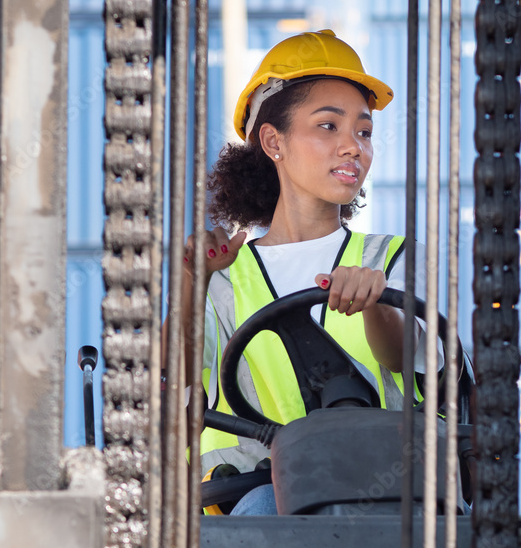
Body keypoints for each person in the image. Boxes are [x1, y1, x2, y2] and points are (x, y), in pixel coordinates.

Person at [180, 30, 440, 515]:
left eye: (363, 132)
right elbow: (170, 393)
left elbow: (415, 357)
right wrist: (192, 285)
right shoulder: (223, 281)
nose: (353, 148)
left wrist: (377, 308)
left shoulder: (393, 258)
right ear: (273, 141)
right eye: (328, 127)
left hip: (391, 494)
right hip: (259, 497)